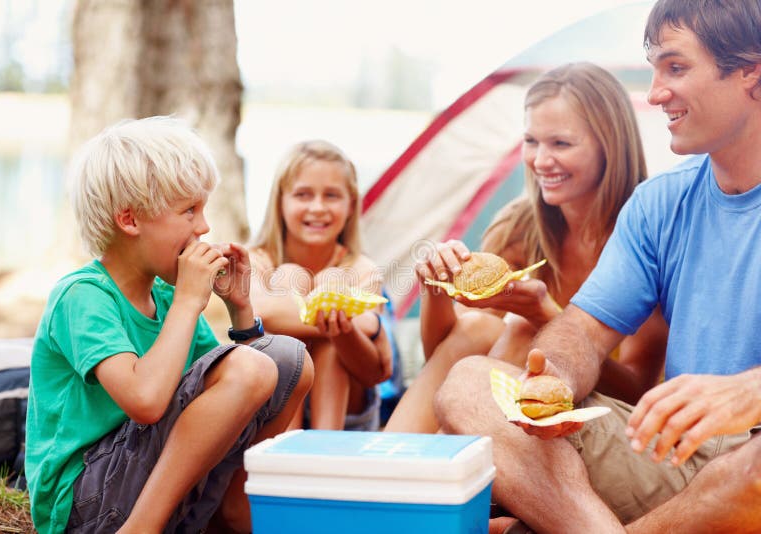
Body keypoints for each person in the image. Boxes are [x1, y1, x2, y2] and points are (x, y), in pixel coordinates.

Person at [435, 1, 761, 532]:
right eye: (654, 70)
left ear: (752, 70)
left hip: (748, 468)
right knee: (470, 386)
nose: (655, 94)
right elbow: (583, 334)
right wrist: (555, 380)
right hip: (671, 456)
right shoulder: (661, 204)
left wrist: (750, 391)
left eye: (676, 68)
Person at [25, 116, 314, 534]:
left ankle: (231, 515)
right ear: (130, 220)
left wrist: (240, 309)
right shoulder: (82, 297)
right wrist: (187, 303)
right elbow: (145, 401)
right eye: (189, 211)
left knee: (290, 361)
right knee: (254, 366)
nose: (204, 227)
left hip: (136, 477)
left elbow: (234, 388)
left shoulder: (163, 296)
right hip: (84, 500)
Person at [385, 62, 668, 434]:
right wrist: (436, 290)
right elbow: (446, 351)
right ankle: (404, 457)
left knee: (522, 331)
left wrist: (545, 317)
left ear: (609, 145)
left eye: (561, 143)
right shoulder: (518, 227)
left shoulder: (646, 233)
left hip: (599, 416)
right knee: (477, 328)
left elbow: (636, 389)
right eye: (532, 141)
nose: (540, 160)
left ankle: (437, 461)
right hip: (508, 408)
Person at [248, 140, 392, 431]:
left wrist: (341, 325)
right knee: (291, 276)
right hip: (269, 411)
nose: (317, 207)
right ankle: (287, 440)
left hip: (347, 415)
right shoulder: (257, 260)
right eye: (303, 194)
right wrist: (363, 322)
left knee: (333, 290)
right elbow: (263, 313)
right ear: (281, 201)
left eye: (331, 196)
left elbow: (378, 370)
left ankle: (322, 450)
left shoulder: (361, 268)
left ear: (351, 205)